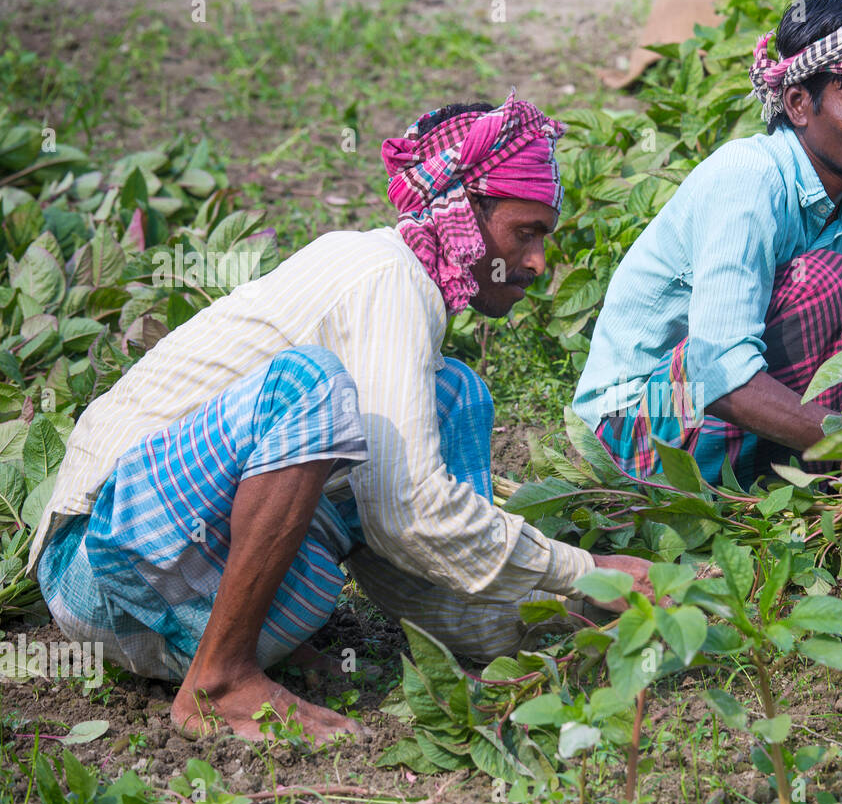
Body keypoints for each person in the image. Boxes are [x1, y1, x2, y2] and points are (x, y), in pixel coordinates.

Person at [27, 92, 652, 741]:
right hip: (102, 569)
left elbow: (428, 552)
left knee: (451, 396)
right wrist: (583, 567)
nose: (537, 264)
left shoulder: (413, 311)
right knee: (312, 389)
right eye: (527, 233)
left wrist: (571, 611)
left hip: (174, 602)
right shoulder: (381, 277)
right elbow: (413, 514)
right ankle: (219, 681)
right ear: (466, 215)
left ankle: (231, 648)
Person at [572, 0, 842, 487]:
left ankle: (835, 484)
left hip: (730, 411)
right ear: (797, 103)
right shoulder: (747, 181)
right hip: (640, 424)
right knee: (823, 282)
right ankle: (814, 476)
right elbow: (718, 372)